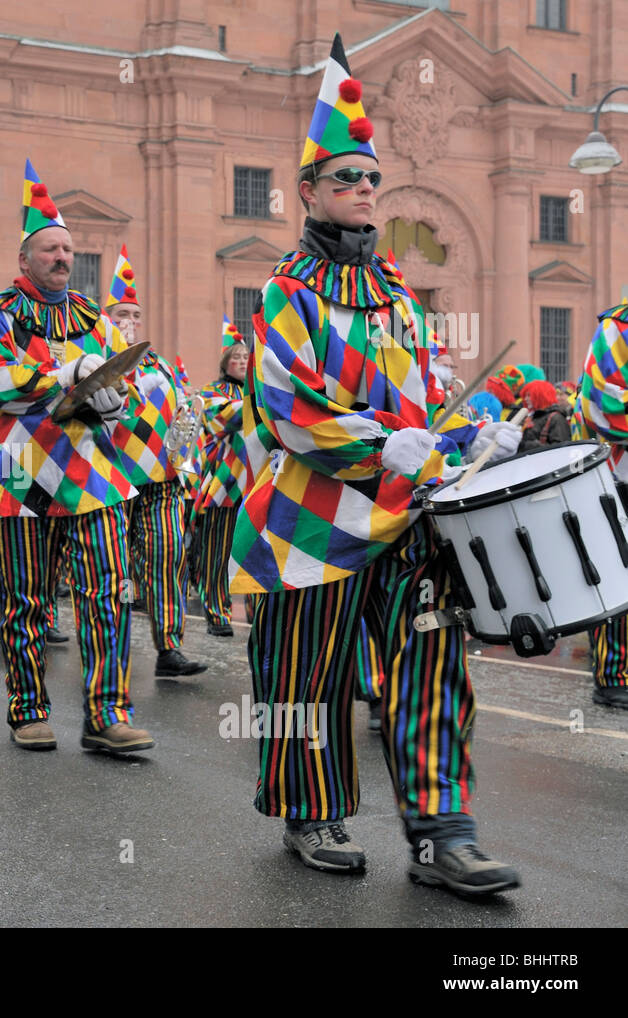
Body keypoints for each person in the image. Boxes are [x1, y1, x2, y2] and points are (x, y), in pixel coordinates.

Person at [228, 35, 523, 896]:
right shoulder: (287, 289)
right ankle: (309, 811)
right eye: (346, 178)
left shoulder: (395, 291)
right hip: (309, 522)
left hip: (404, 514)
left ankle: (443, 834)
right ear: (311, 191)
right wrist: (372, 442)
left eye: (370, 178)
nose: (363, 189)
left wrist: (472, 435)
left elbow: (431, 393)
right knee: (305, 678)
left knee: (433, 661)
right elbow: (287, 406)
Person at [0, 158, 150, 755]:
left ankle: (106, 713)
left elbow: (122, 385)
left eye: (68, 250)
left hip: (94, 477)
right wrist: (60, 375)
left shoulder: (97, 319)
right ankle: (28, 709)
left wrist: (115, 401)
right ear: (25, 260)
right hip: (17, 479)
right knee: (25, 599)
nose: (63, 258)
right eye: (50, 250)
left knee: (107, 591)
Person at [103, 246, 207, 676]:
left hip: (161, 481)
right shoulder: (98, 361)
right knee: (113, 567)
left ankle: (169, 647)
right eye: (121, 314)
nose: (130, 322)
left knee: (167, 556)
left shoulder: (161, 364)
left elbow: (180, 418)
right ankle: (111, 645)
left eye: (135, 315)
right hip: (112, 480)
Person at [575, 298, 628, 710]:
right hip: (619, 476)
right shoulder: (620, 326)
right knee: (619, 574)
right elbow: (602, 406)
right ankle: (614, 674)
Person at [192, 317, 250, 639]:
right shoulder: (212, 393)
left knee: (255, 551)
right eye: (236, 357)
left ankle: (257, 611)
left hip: (258, 484)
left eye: (246, 357)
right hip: (225, 484)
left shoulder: (260, 390)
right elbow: (228, 418)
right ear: (225, 362)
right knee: (218, 553)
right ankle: (216, 611)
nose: (241, 362)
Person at [516, 379, 571, 451]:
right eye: (525, 396)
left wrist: (526, 445)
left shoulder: (556, 418)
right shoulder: (532, 416)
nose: (526, 399)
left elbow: (560, 449)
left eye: (529, 395)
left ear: (540, 396)